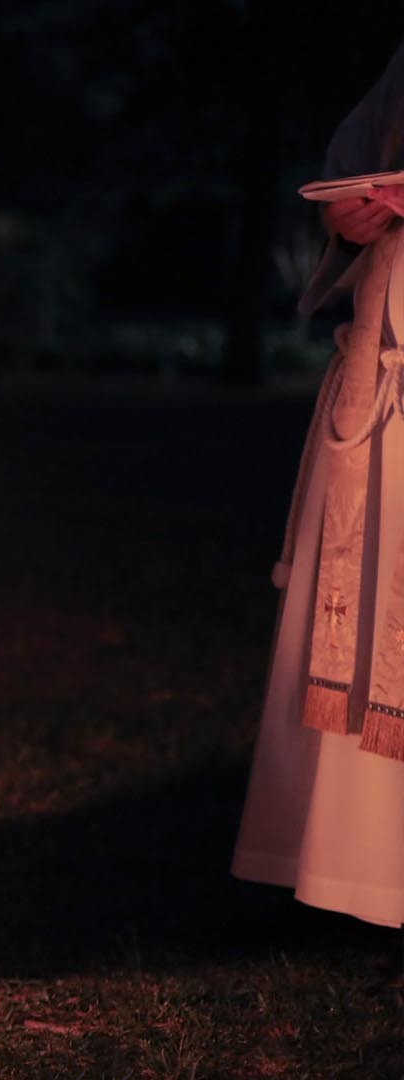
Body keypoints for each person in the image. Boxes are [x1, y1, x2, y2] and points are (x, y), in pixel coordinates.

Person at [233, 40, 404, 929]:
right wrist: (358, 216)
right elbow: (347, 186)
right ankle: (365, 868)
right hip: (385, 393)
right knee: (369, 611)